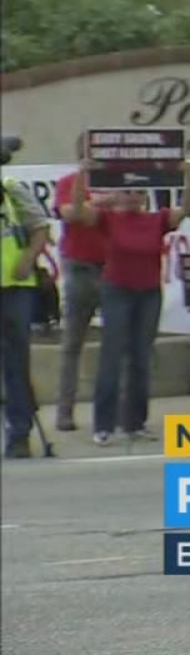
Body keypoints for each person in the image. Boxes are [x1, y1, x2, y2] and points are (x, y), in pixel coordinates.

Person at [68, 162, 190, 446]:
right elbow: (77, 211)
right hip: (117, 291)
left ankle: (135, 423)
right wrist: (82, 175)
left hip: (149, 292)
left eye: (139, 191)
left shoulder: (157, 219)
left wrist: (187, 176)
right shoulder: (108, 219)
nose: (134, 196)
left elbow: (185, 211)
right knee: (112, 357)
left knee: (140, 359)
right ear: (118, 195)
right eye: (128, 191)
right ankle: (103, 425)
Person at [52, 132, 109, 432]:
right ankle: (64, 411)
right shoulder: (67, 182)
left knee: (117, 343)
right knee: (72, 343)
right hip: (79, 267)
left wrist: (97, 202)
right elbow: (74, 214)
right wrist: (99, 200)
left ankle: (114, 410)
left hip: (112, 267)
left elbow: (126, 210)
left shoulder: (120, 181)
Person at [2, 171, 50, 458]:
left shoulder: (10, 190)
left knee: (16, 364)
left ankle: (19, 433)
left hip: (14, 288)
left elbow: (40, 227)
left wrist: (28, 259)